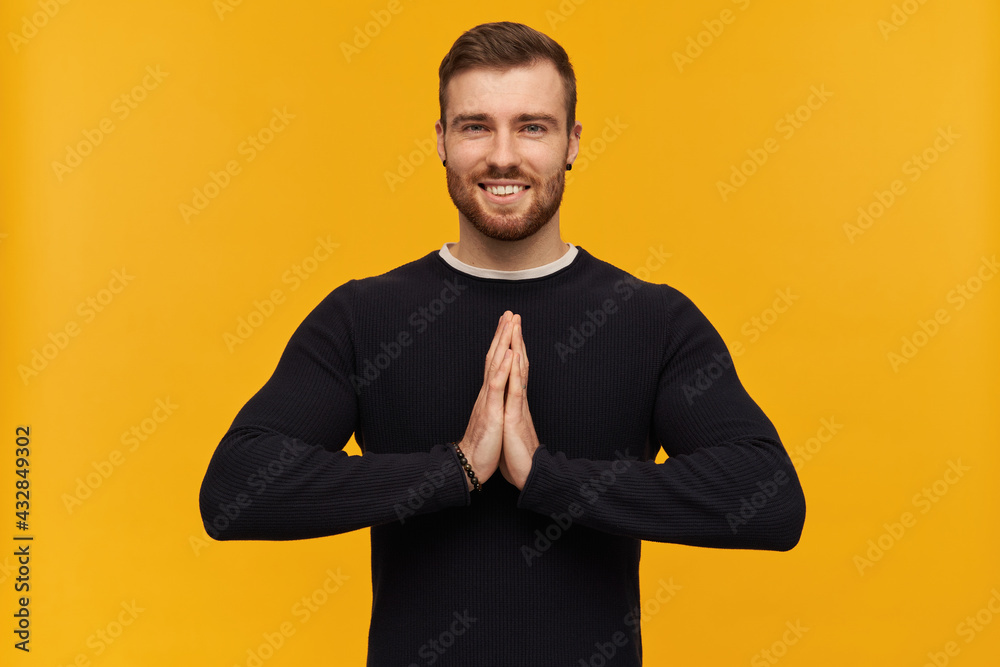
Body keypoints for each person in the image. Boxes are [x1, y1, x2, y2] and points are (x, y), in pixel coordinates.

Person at [199, 21, 806, 666]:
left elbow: (768, 499)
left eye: (533, 126)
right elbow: (234, 491)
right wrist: (456, 469)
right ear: (440, 141)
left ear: (572, 143)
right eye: (475, 126)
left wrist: (547, 478)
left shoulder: (651, 319)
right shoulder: (364, 316)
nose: (503, 156)